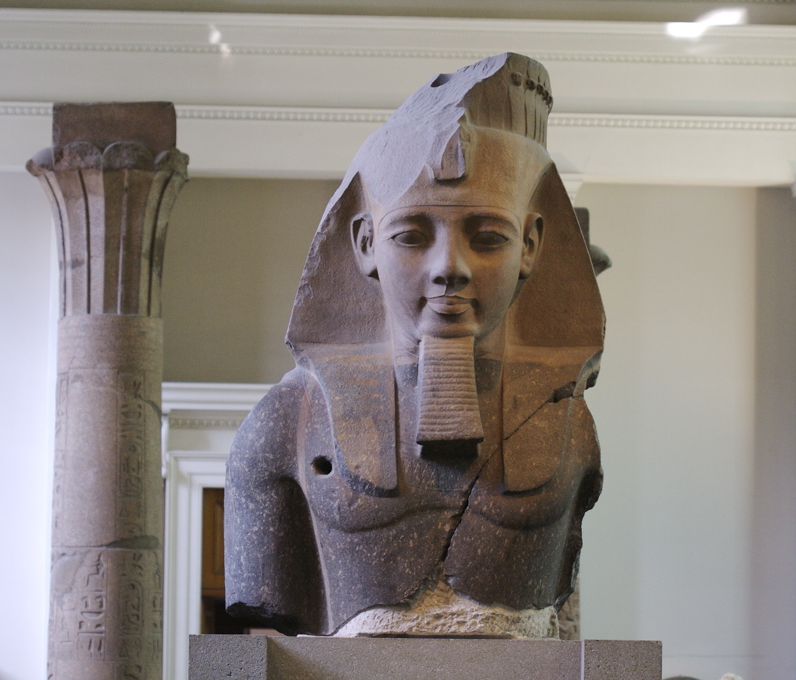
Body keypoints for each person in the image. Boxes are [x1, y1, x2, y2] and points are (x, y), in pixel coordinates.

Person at [225, 53, 605, 638]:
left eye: (487, 238)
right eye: (411, 236)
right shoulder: (286, 423)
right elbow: (259, 644)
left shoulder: (568, 424)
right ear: (365, 243)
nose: (448, 268)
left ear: (530, 245)